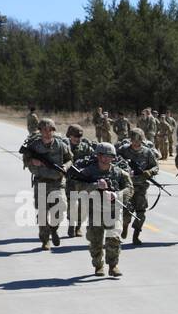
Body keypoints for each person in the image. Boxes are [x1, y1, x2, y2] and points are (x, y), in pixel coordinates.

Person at [73, 142, 132, 277]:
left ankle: (113, 265)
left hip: (114, 211)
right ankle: (98, 265)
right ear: (98, 156)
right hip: (96, 211)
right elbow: (78, 186)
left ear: (113, 157)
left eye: (109, 156)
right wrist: (95, 186)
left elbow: (130, 189)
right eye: (102, 156)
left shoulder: (119, 173)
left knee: (114, 239)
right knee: (96, 241)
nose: (105, 159)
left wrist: (116, 194)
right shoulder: (89, 171)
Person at [20, 118, 72, 250]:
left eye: (50, 130)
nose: (48, 133)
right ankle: (45, 240)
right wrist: (32, 162)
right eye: (44, 130)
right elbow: (25, 160)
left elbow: (70, 159)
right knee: (43, 213)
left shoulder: (61, 145)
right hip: (41, 181)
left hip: (58, 182)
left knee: (62, 206)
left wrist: (65, 167)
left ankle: (54, 228)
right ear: (40, 131)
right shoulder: (34, 146)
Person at [118, 127, 160, 245]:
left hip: (141, 187)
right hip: (127, 186)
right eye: (134, 140)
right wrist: (124, 169)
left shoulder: (147, 152)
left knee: (141, 213)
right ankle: (125, 226)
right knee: (126, 211)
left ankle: (136, 234)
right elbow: (114, 162)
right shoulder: (123, 150)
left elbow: (156, 167)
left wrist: (149, 172)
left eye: (138, 141)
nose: (136, 143)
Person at [64, 124, 94, 237]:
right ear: (70, 135)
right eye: (75, 136)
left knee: (83, 205)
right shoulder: (64, 146)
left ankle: (78, 227)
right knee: (71, 204)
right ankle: (71, 225)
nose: (78, 139)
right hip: (69, 180)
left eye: (79, 136)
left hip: (83, 181)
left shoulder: (86, 147)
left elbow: (94, 159)